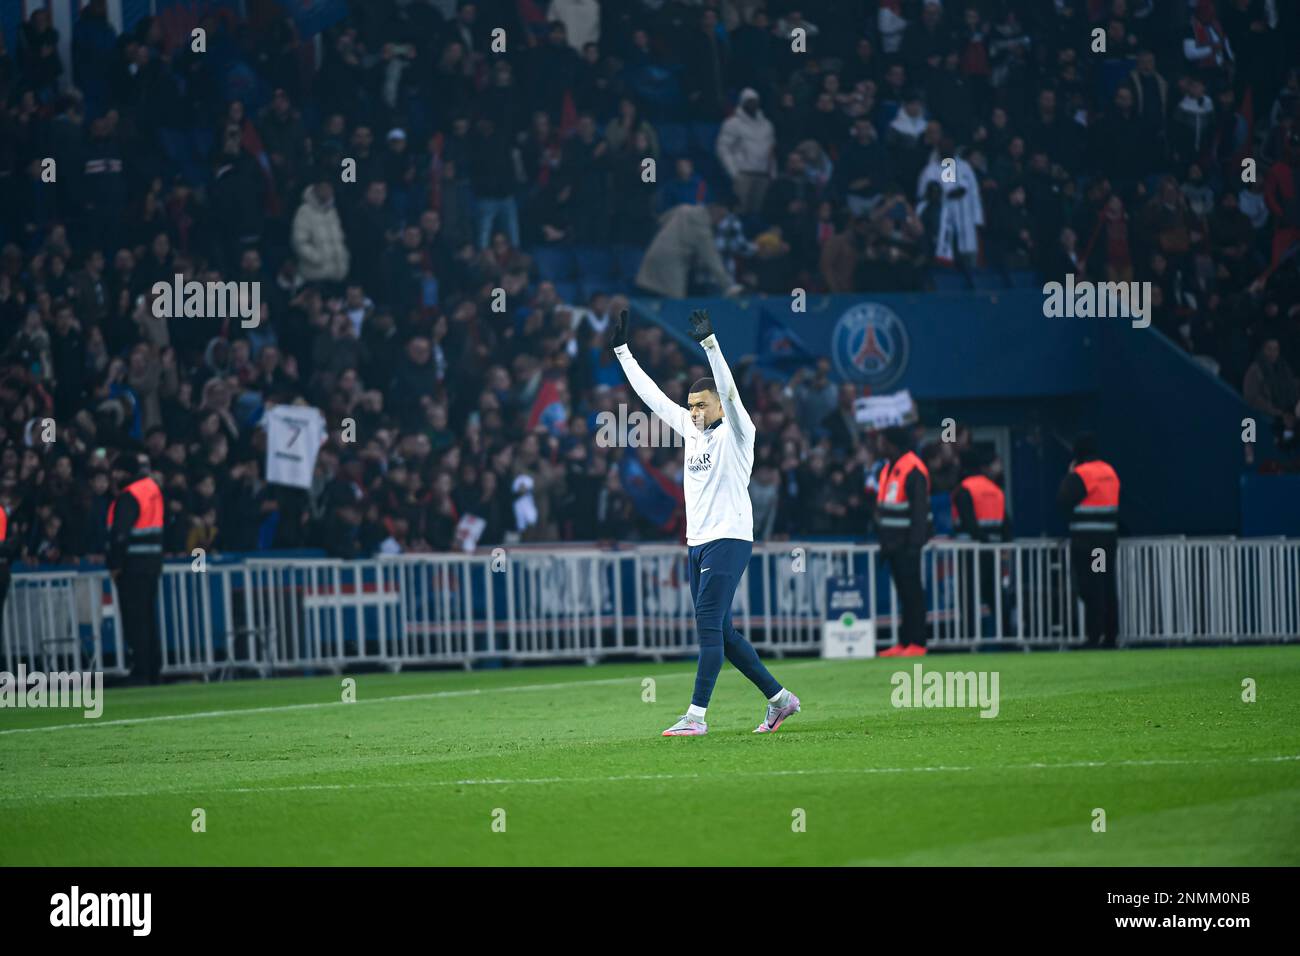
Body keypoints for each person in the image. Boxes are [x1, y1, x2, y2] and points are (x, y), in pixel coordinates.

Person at [611, 308, 799, 736]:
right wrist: (622, 352)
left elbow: (730, 391)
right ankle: (780, 699)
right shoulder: (689, 428)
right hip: (697, 542)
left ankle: (695, 717)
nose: (694, 410)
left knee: (708, 627)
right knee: (725, 634)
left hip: (729, 538)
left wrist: (710, 345)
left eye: (702, 404)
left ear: (717, 404)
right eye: (691, 404)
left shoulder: (738, 430)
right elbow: (653, 397)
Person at [107, 452, 165, 683]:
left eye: (117, 472)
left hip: (132, 566)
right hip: (151, 564)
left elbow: (120, 535)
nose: (114, 476)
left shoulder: (129, 495)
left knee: (135, 621)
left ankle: (140, 670)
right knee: (149, 620)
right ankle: (152, 669)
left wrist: (115, 564)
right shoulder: (152, 490)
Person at [1058, 433, 1120, 648]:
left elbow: (1064, 499)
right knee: (1104, 583)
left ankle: (1095, 635)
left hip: (1088, 544)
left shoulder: (1082, 474)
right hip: (1106, 542)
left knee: (1090, 586)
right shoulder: (1109, 471)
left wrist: (1070, 474)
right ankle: (1110, 634)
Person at [875, 426, 933, 657]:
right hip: (894, 545)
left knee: (913, 594)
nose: (879, 446)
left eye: (882, 442)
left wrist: (914, 544)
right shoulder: (890, 467)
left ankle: (917, 642)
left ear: (892, 444)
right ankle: (904, 641)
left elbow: (920, 512)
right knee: (904, 594)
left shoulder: (913, 468)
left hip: (908, 544)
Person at [951, 448, 1010, 637]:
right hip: (992, 552)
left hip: (969, 551)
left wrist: (983, 541)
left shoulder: (964, 489)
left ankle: (969, 638)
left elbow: (969, 523)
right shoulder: (995, 490)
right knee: (996, 596)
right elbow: (1006, 523)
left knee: (968, 597)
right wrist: (1001, 546)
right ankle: (1007, 636)